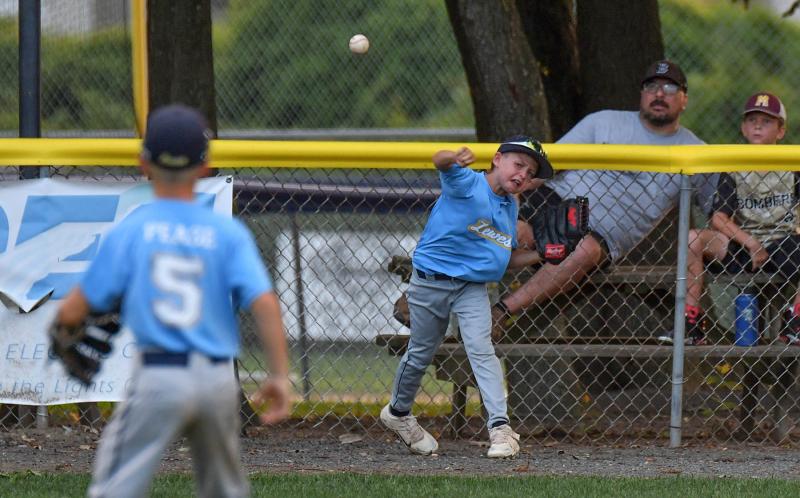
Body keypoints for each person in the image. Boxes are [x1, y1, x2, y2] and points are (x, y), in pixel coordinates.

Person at [51, 104, 291, 498]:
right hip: (217, 381)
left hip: (159, 377)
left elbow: (75, 309)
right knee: (225, 490)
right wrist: (279, 376)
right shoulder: (226, 231)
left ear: (143, 163)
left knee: (114, 487)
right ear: (205, 165)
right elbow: (264, 303)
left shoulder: (134, 229)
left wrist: (63, 331)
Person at [493, 60, 719, 344]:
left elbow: (719, 210)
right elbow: (547, 166)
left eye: (670, 88)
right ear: (642, 94)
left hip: (600, 236)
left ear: (684, 99)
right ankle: (445, 296)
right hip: (558, 201)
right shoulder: (603, 122)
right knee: (514, 233)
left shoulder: (696, 152)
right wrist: (508, 195)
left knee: (584, 250)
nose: (659, 94)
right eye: (651, 87)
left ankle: (500, 312)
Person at [380, 137, 551, 458]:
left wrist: (541, 254)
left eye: (529, 173)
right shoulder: (467, 182)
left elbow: (501, 258)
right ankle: (398, 414)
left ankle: (500, 429)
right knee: (420, 353)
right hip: (430, 284)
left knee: (481, 349)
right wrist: (453, 157)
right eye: (518, 164)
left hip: (471, 288)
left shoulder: (509, 206)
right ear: (497, 159)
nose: (522, 175)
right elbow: (439, 160)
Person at [661, 92, 800, 346]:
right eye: (752, 120)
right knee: (693, 238)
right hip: (746, 247)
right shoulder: (734, 165)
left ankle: (797, 319)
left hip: (784, 244)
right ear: (743, 128)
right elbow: (718, 218)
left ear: (781, 131)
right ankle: (690, 322)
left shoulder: (793, 164)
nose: (758, 125)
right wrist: (750, 242)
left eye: (767, 121)